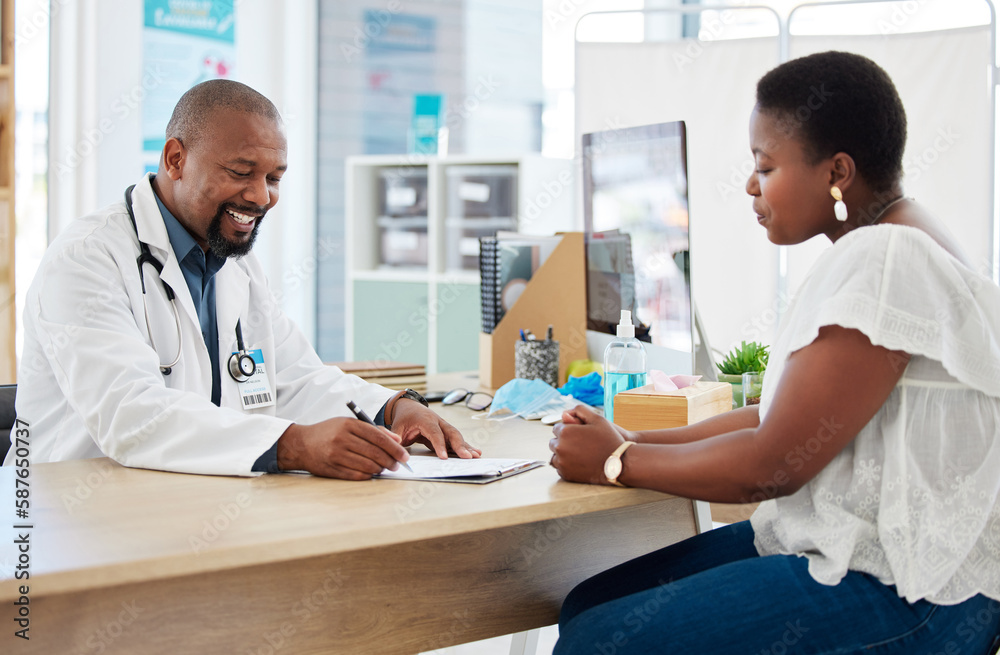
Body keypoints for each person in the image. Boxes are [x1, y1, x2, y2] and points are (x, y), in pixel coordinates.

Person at [549, 51, 1000, 654]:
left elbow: (774, 463)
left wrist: (616, 462)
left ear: (837, 171)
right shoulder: (891, 240)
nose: (750, 185)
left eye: (766, 166)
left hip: (915, 590)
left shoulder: (888, 258)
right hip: (864, 549)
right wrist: (627, 438)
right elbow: (774, 418)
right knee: (588, 604)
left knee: (597, 643)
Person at [5, 79, 480, 479]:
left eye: (274, 177)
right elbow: (130, 415)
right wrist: (293, 445)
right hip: (69, 527)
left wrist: (395, 408)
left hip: (191, 510)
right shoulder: (87, 259)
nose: (262, 196)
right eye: (241, 172)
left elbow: (294, 379)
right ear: (175, 160)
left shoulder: (233, 260)